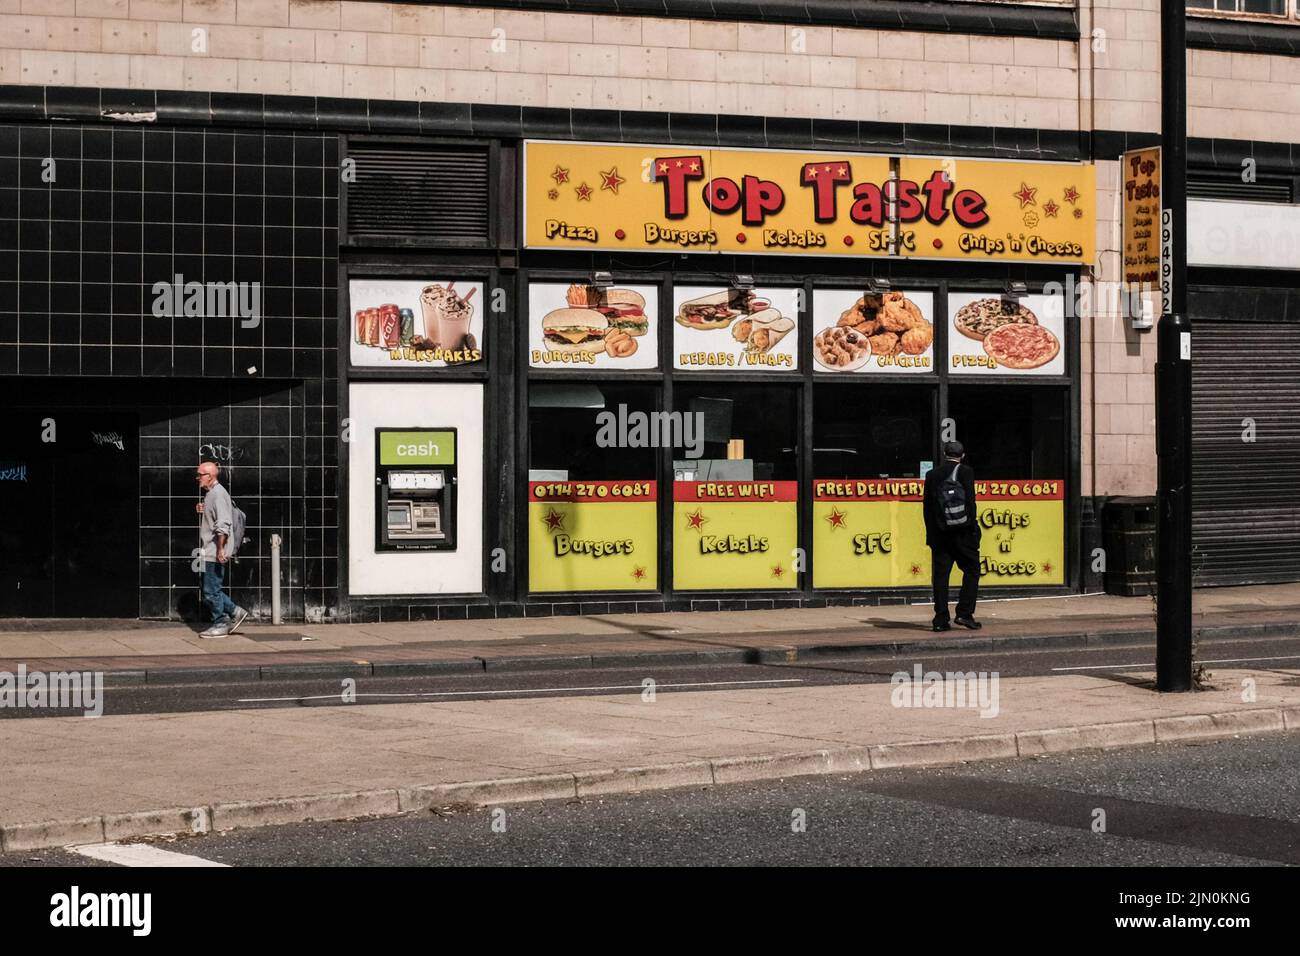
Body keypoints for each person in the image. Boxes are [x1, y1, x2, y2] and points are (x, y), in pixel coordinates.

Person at [923, 441, 982, 632]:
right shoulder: (966, 472)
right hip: (963, 533)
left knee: (941, 577)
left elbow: (927, 509)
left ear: (944, 454)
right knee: (972, 569)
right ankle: (964, 613)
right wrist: (973, 530)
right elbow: (971, 504)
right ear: (962, 455)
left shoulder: (932, 475)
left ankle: (940, 619)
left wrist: (931, 535)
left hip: (940, 536)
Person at [195, 461, 248, 638]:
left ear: (210, 476)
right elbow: (216, 517)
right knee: (210, 588)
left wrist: (220, 549)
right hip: (209, 549)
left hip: (214, 550)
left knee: (210, 590)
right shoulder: (212, 494)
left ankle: (221, 623)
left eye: (200, 475)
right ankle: (236, 612)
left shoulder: (217, 494)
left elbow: (223, 524)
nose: (198, 478)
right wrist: (204, 510)